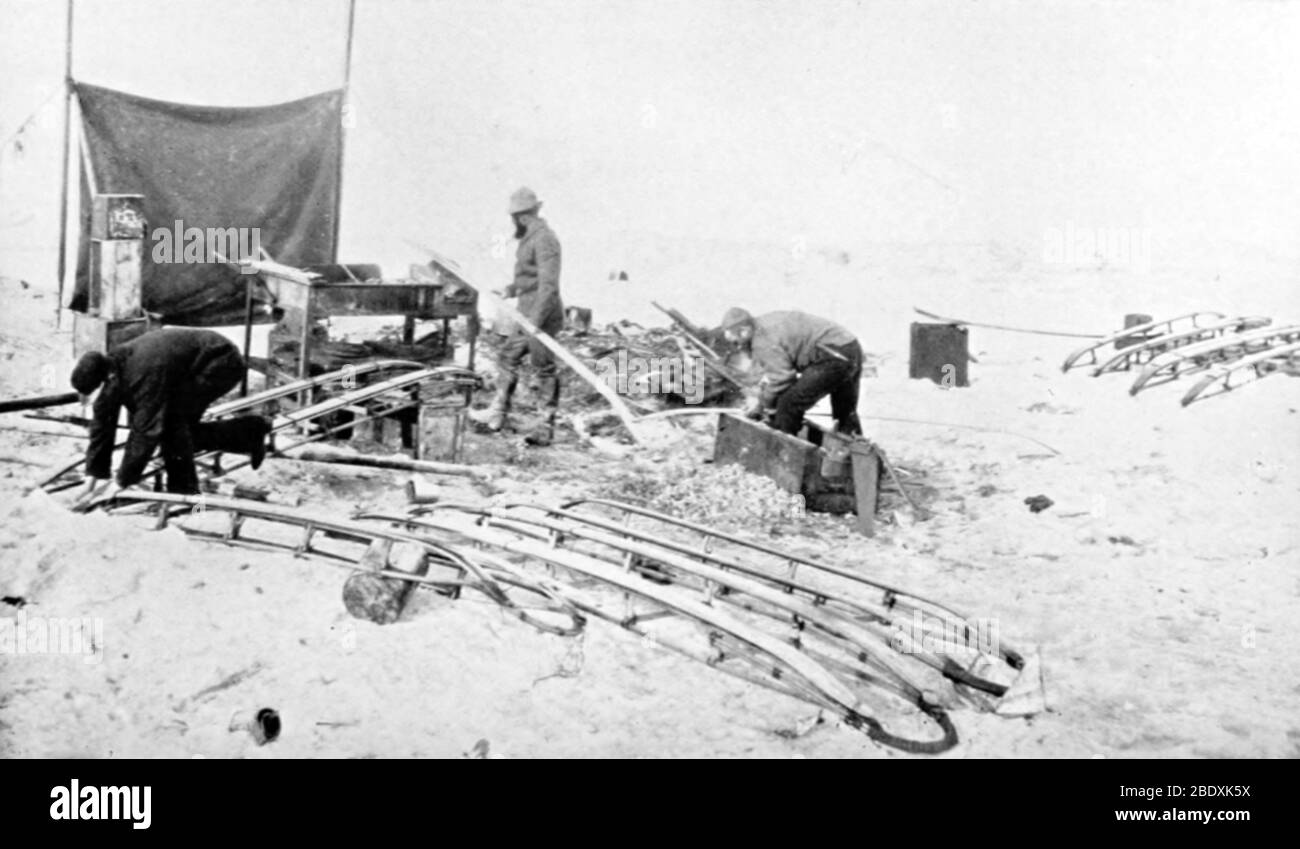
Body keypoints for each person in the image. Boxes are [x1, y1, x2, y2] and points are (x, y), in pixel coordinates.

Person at [69, 328, 273, 506]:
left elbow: (145, 431)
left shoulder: (143, 375)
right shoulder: (112, 368)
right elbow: (102, 422)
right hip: (186, 365)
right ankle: (251, 432)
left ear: (108, 378)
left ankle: (184, 494)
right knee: (174, 429)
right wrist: (93, 475)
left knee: (172, 427)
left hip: (219, 362)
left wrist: (121, 481)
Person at [472, 186, 564, 447]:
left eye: (514, 218)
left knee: (544, 368)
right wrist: (510, 289)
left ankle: (545, 428)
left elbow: (548, 285)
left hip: (542, 317)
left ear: (522, 217)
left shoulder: (545, 239)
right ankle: (497, 413)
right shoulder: (530, 238)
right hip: (527, 314)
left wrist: (535, 321)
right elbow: (529, 279)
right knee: (506, 357)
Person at [719, 307, 864, 436]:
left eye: (736, 342)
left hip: (832, 354)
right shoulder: (764, 324)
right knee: (845, 413)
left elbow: (783, 379)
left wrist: (762, 403)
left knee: (788, 404)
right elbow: (776, 374)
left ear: (744, 331)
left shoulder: (762, 340)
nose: (738, 348)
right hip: (850, 347)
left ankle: (782, 457)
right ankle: (860, 457)